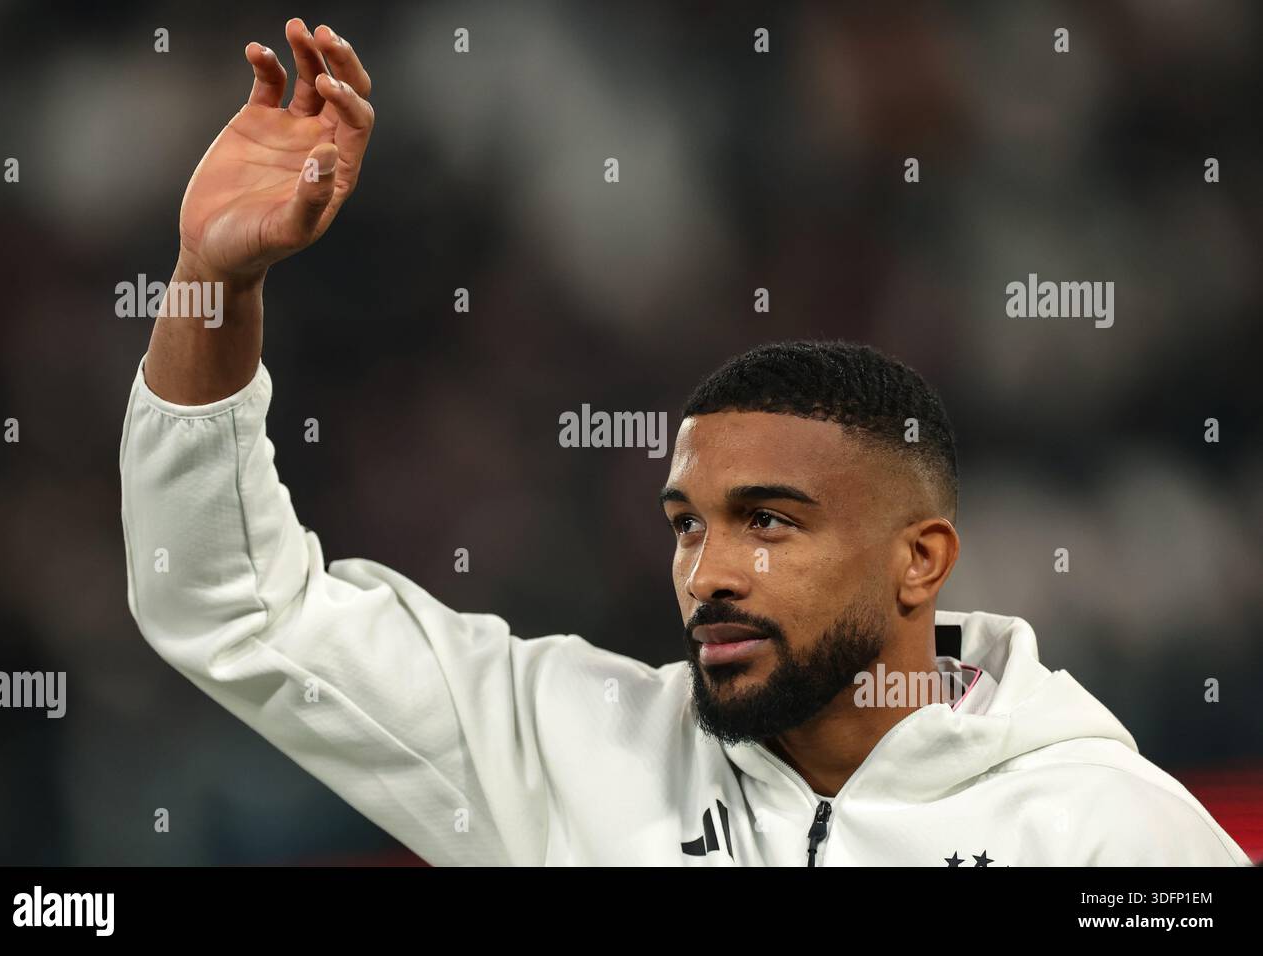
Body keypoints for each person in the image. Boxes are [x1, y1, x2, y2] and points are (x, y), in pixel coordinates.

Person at [121, 17, 1251, 866]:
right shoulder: (574, 748)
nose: (707, 572)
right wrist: (211, 279)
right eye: (686, 525)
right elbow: (227, 598)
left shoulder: (1114, 838)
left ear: (922, 557)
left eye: (768, 521)